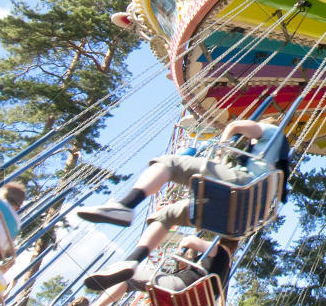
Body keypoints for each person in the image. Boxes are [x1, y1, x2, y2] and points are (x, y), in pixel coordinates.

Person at [78, 119, 287, 291]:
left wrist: (222, 151)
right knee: (169, 213)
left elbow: (235, 126)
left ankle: (126, 205)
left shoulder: (269, 130)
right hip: (248, 216)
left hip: (242, 184)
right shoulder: (280, 158)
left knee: (169, 163)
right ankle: (132, 261)